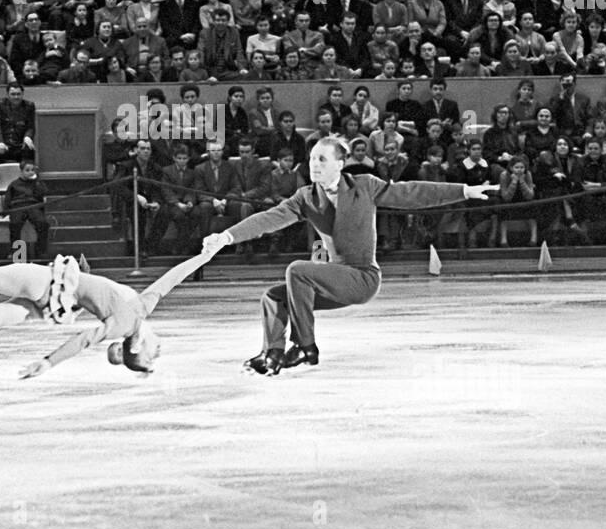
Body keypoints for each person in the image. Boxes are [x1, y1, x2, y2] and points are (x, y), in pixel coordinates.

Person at [202, 136, 497, 375]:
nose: (314, 164)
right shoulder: (306, 197)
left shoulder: (364, 186)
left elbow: (412, 193)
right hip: (334, 280)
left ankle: (306, 347)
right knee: (274, 296)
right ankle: (273, 352)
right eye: (312, 158)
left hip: (362, 278)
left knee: (297, 270)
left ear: (340, 164)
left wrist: (463, 191)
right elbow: (269, 218)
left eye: (322, 159)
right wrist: (226, 237)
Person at [0, 247, 223, 392]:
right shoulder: (136, 315)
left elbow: (83, 341)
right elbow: (175, 277)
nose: (159, 350)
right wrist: (207, 253)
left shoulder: (132, 318)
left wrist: (47, 361)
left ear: (137, 347)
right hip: (54, 303)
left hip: (48, 283)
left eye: (152, 355)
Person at [5, 158, 49, 256]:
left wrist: (37, 181)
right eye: (27, 170)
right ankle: (16, 252)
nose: (30, 172)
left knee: (43, 223)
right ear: (21, 171)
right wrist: (7, 212)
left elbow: (42, 195)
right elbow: (8, 199)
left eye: (32, 170)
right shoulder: (14, 184)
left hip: (33, 206)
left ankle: (40, 252)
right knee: (15, 224)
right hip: (18, 207)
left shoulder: (37, 183)